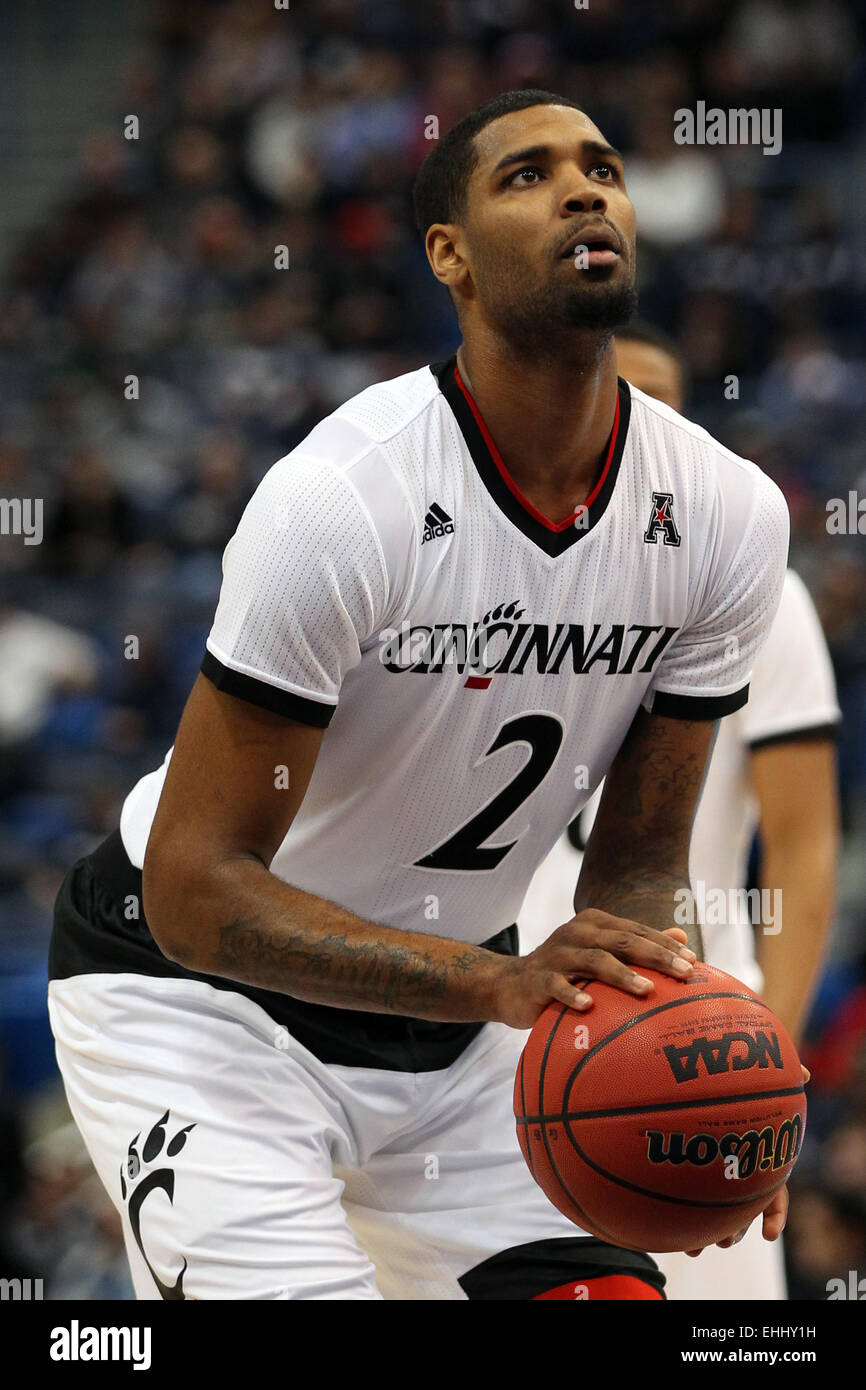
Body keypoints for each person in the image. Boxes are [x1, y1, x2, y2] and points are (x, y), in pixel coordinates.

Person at [47, 89, 791, 1301]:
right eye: (526, 175)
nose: (583, 188)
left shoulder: (724, 514)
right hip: (197, 1003)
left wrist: (696, 1085)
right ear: (448, 256)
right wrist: (492, 984)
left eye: (601, 167)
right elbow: (193, 889)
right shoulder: (344, 499)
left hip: (460, 1023)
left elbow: (637, 871)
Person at [519, 320, 840, 1300]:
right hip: (502, 1046)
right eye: (624, 398)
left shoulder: (761, 590)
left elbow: (803, 843)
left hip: (695, 1055)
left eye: (668, 404)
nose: (647, 422)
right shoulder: (492, 576)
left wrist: (765, 1078)